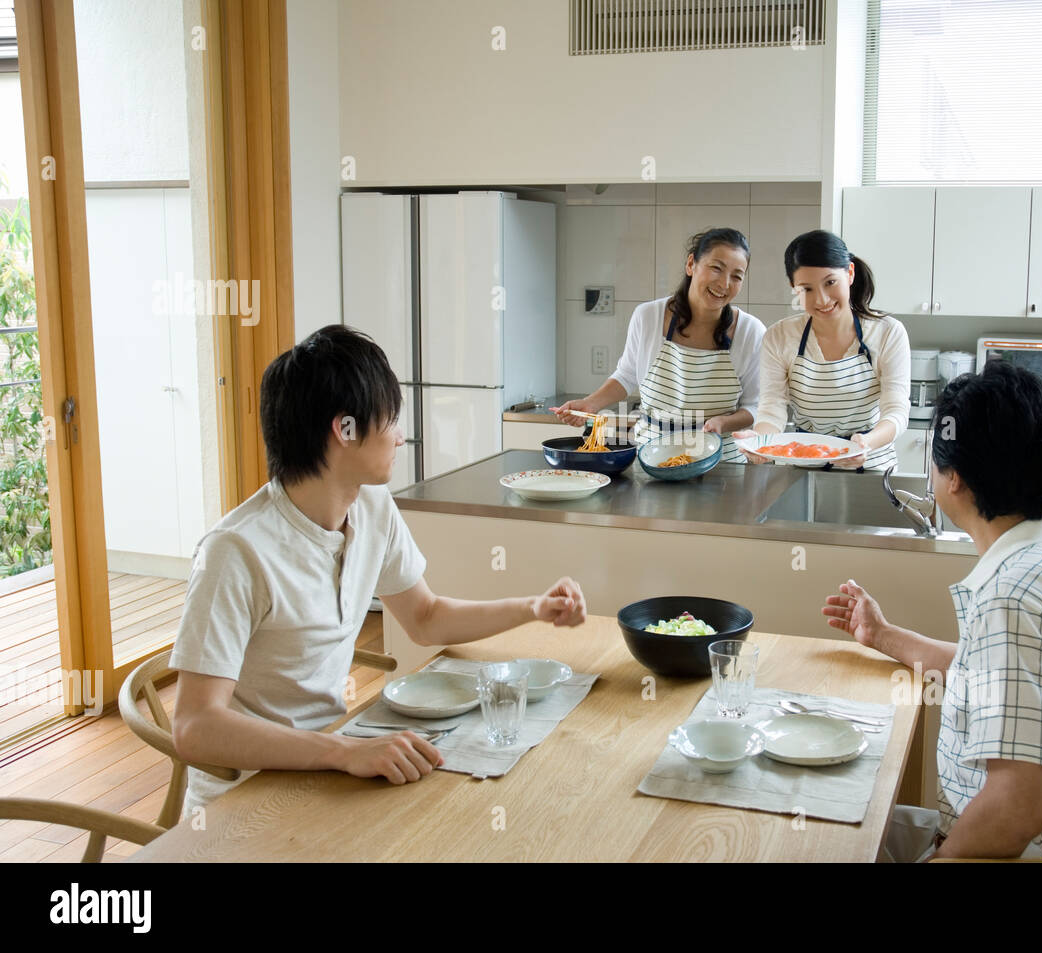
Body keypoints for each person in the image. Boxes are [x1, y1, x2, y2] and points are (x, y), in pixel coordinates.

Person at [171, 325, 587, 817]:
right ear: (343, 431)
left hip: (331, 767)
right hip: (246, 799)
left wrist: (533, 607)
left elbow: (426, 617)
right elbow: (196, 727)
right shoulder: (236, 552)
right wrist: (343, 753)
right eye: (390, 418)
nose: (400, 435)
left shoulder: (371, 508)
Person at [823, 361, 1042, 860]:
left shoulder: (1012, 598)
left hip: (1041, 850)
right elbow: (992, 674)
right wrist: (882, 634)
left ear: (953, 478)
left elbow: (1016, 809)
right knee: (843, 820)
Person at [556, 228, 765, 464]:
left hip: (721, 463)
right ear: (691, 264)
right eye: (716, 268)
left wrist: (723, 423)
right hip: (653, 459)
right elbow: (627, 375)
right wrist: (590, 403)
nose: (725, 283)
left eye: (737, 276)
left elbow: (755, 407)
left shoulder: (751, 331)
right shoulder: (648, 317)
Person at [736, 230, 909, 471]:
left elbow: (896, 411)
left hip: (872, 467)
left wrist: (865, 443)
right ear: (793, 287)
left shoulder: (888, 332)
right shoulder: (779, 337)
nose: (822, 299)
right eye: (807, 289)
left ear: (849, 273)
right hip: (805, 466)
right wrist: (759, 442)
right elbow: (772, 408)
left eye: (830, 282)